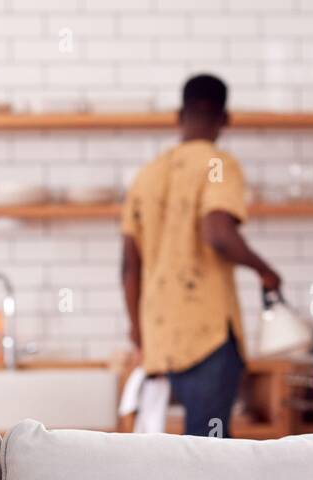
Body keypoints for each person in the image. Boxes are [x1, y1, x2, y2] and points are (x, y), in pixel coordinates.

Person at [119, 73, 283, 438]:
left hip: (159, 334)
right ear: (225, 118)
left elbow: (129, 266)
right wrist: (267, 272)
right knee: (210, 453)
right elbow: (218, 233)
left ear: (179, 115)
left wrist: (138, 332)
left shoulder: (146, 175)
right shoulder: (218, 164)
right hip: (207, 335)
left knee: (168, 449)